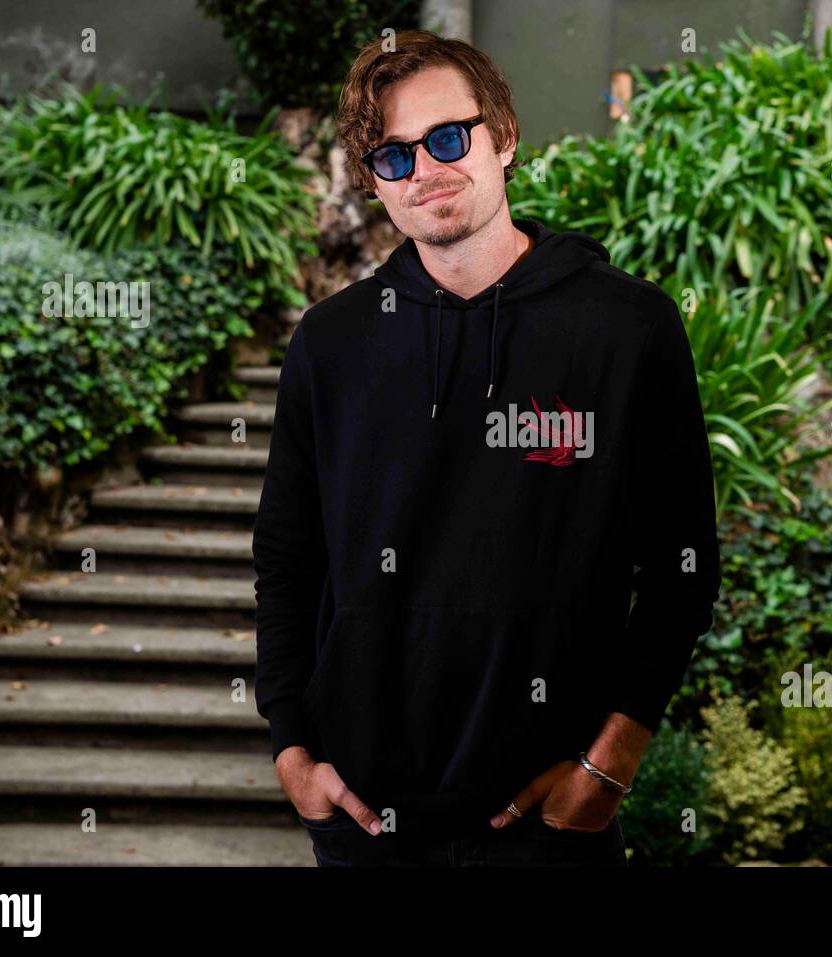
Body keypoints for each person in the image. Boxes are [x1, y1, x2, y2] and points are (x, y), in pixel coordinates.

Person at [252, 28, 720, 867]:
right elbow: (288, 558)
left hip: (545, 819)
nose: (424, 170)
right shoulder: (331, 344)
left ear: (503, 134)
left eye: (445, 137)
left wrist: (610, 762)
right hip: (365, 826)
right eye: (393, 157)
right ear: (374, 184)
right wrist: (293, 750)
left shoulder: (627, 328)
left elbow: (683, 564)